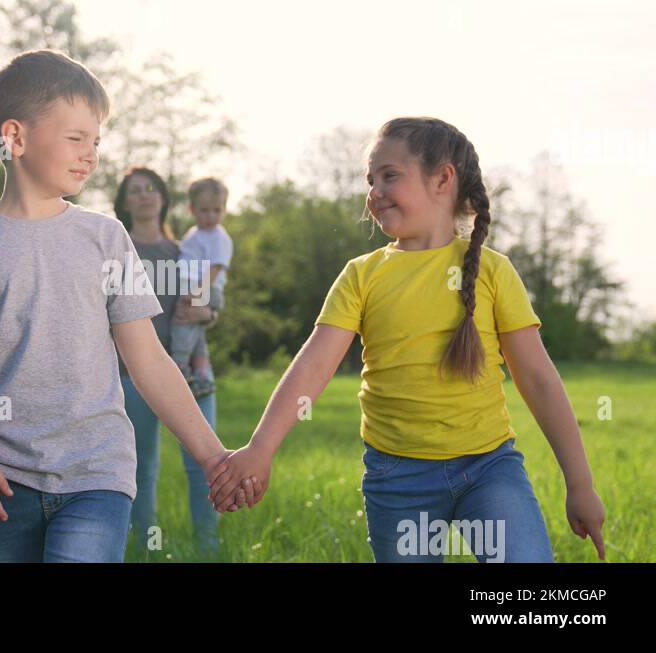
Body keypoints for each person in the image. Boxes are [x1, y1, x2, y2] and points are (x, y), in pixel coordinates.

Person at [0, 49, 257, 563]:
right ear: (15, 137)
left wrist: (212, 456)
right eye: (76, 138)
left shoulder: (105, 237)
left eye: (96, 141)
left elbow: (149, 360)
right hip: (0, 480)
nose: (91, 154)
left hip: (98, 472)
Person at [208, 117, 606, 563]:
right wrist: (261, 449)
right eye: (370, 179)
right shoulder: (361, 275)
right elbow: (313, 366)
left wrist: (581, 485)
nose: (374, 191)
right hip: (396, 477)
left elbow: (538, 379)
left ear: (442, 179)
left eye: (390, 176)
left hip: (489, 469)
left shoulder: (493, 272)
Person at [114, 167, 223, 558]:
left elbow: (206, 307)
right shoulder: (115, 251)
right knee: (140, 469)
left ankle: (209, 549)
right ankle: (147, 547)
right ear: (125, 202)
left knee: (206, 463)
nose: (144, 196)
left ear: (163, 198)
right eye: (135, 191)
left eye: (151, 189)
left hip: (191, 373)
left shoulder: (186, 252)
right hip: (132, 375)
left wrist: (207, 314)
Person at [170, 177, 233, 399]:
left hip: (205, 287)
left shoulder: (219, 237)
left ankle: (179, 366)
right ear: (192, 209)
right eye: (204, 210)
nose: (211, 216)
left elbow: (216, 267)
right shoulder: (194, 234)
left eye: (217, 210)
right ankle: (202, 374)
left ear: (224, 209)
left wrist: (197, 292)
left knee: (182, 322)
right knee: (196, 333)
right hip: (195, 286)